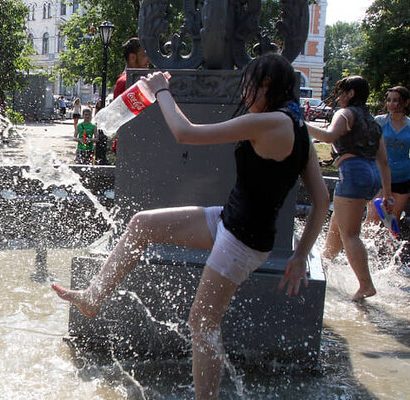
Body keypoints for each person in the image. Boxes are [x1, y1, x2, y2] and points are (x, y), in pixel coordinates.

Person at [52, 54, 329, 400]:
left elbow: (186, 134)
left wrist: (161, 90)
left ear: (266, 85)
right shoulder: (296, 125)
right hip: (230, 220)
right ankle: (93, 298)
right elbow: (321, 201)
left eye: (248, 85)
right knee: (141, 225)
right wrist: (300, 255)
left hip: (243, 241)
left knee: (202, 322)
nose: (244, 93)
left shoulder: (271, 122)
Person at [307, 76, 391, 301]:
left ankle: (366, 285)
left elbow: (327, 136)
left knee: (350, 234)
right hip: (371, 174)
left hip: (353, 173)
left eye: (341, 92)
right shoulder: (373, 122)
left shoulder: (344, 114)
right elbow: (383, 161)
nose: (338, 96)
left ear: (351, 93)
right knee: (339, 222)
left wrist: (298, 121)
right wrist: (388, 195)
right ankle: (324, 264)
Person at [366, 86, 410, 229]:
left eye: (396, 100)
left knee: (392, 222)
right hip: (379, 176)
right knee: (372, 218)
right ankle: (364, 250)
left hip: (402, 178)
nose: (391, 104)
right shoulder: (379, 121)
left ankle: (389, 251)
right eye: (389, 100)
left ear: (406, 102)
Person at [111, 37, 150, 156]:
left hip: (131, 143)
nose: (148, 60)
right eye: (144, 55)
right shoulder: (127, 82)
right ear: (133, 57)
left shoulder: (127, 80)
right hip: (131, 145)